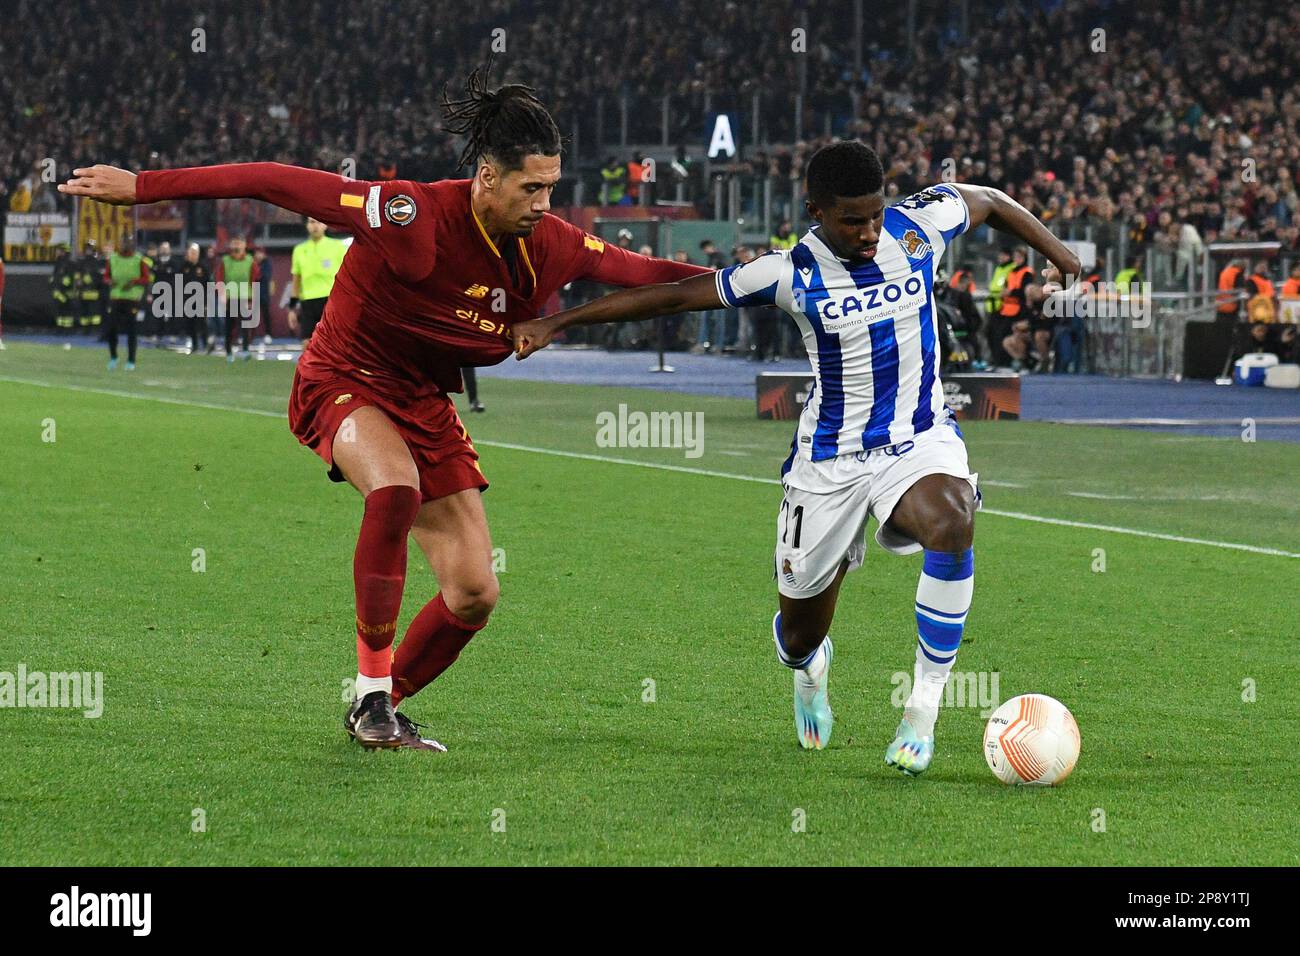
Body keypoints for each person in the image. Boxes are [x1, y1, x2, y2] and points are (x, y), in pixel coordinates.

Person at [60, 59, 706, 751]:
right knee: (393, 488)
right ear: (488, 177)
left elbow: (662, 280)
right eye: (532, 187)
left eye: (553, 186)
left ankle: (381, 703)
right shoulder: (410, 213)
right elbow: (275, 181)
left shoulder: (548, 246)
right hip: (342, 376)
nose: (546, 202)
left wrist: (766, 283)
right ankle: (371, 697)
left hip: (420, 402)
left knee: (474, 593)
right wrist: (146, 188)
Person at [512, 140, 1080, 775]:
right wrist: (557, 325)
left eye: (874, 215)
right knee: (800, 632)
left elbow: (992, 202)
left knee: (952, 518)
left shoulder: (920, 225)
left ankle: (922, 712)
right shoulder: (786, 273)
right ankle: (810, 667)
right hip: (829, 463)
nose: (868, 232)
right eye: (851, 220)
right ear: (815, 209)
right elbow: (673, 296)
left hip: (919, 440)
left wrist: (1058, 252)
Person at [288, 217, 347, 347]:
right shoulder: (299, 250)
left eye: (319, 222)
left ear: (325, 225)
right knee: (307, 344)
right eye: (311, 222)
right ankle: (309, 368)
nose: (315, 226)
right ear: (307, 225)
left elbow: (348, 276)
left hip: (330, 301)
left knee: (333, 344)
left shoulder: (338, 247)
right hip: (307, 303)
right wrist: (292, 309)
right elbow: (296, 282)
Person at [103, 234, 151, 370]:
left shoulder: (139, 259)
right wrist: (110, 281)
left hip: (132, 298)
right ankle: (113, 356)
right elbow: (106, 276)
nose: (125, 245)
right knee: (111, 329)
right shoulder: (113, 259)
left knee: (132, 330)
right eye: (123, 243)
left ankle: (131, 360)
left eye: (127, 243)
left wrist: (133, 283)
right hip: (116, 297)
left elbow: (146, 278)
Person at [217, 236, 259, 361]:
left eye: (239, 243)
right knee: (229, 326)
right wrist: (222, 294)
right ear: (230, 245)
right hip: (230, 297)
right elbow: (219, 279)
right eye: (234, 243)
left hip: (245, 297)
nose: (236, 246)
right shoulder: (225, 261)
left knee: (245, 326)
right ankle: (229, 352)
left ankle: (245, 350)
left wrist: (252, 300)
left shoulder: (250, 261)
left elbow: (254, 280)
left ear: (244, 245)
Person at [180, 243, 212, 354]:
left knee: (202, 323)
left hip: (200, 300)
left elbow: (209, 285)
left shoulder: (203, 267)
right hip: (187, 300)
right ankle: (195, 345)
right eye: (191, 252)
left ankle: (206, 344)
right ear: (188, 254)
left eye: (195, 253)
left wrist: (207, 301)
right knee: (190, 323)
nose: (193, 255)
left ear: (198, 254)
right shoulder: (184, 267)